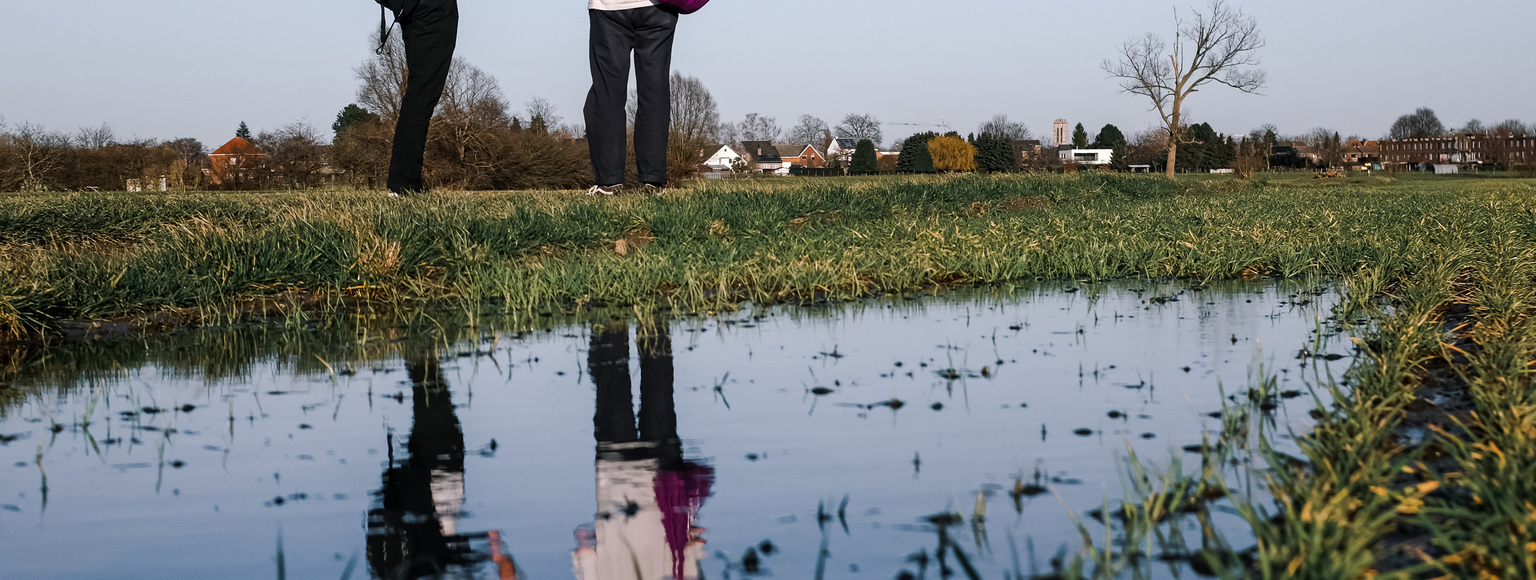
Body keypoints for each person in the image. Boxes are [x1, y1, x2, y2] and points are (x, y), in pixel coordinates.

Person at [584, 0, 680, 196]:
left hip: (608, 7)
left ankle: (609, 182)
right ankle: (653, 180)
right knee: (654, 89)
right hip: (657, 7)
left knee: (607, 91)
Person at [383, 0, 459, 197]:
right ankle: (404, 184)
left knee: (420, 91)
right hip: (431, 9)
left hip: (411, 10)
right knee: (422, 93)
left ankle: (404, 182)